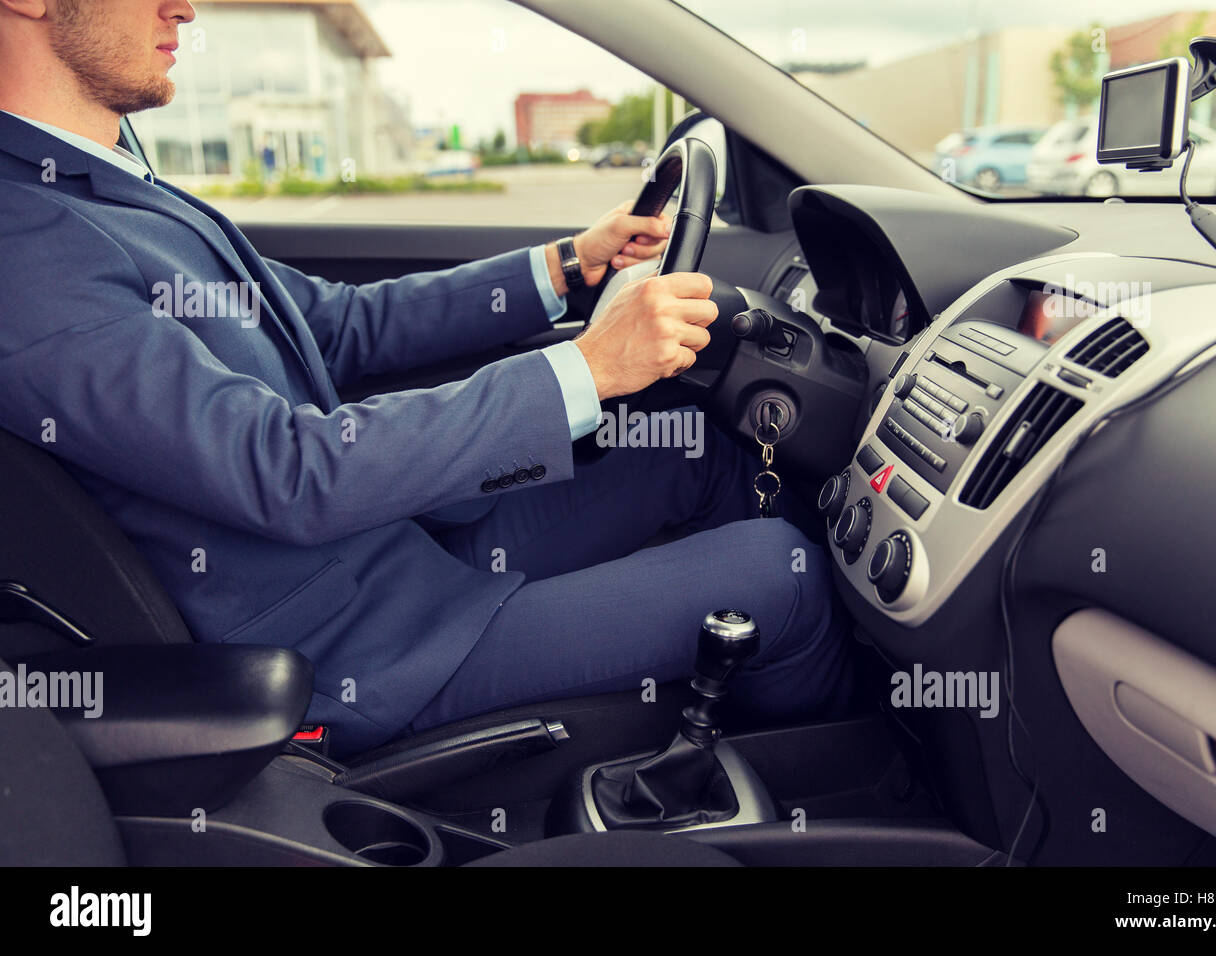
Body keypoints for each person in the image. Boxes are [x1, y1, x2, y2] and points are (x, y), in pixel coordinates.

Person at [0, 0, 853, 756]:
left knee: (692, 446)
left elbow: (333, 324)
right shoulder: (28, 248)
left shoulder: (105, 178)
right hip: (355, 646)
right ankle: (846, 797)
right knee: (779, 575)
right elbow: (285, 471)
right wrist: (589, 365)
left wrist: (563, 265)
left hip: (397, 543)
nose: (183, 8)